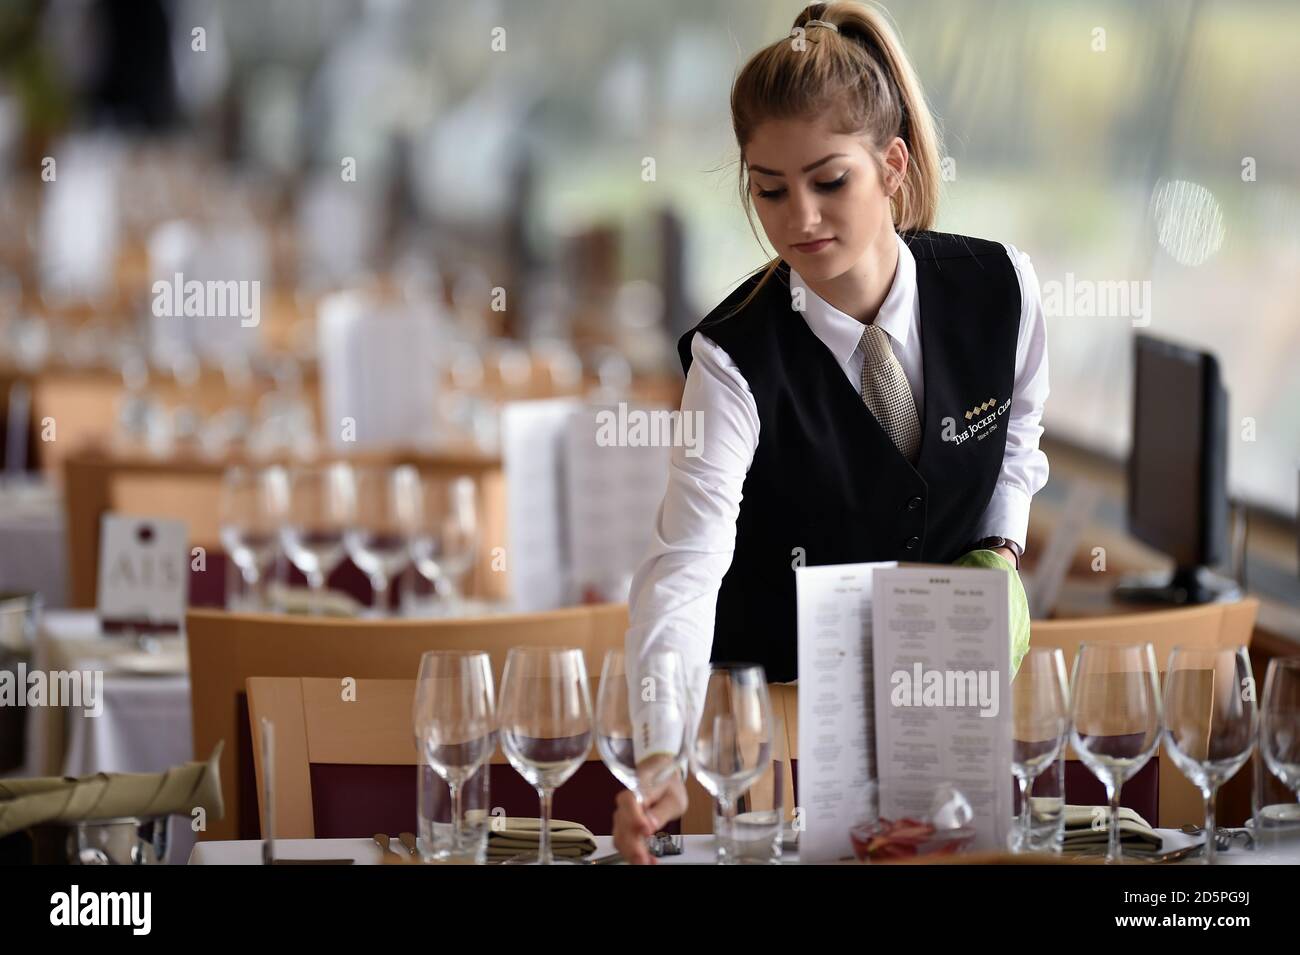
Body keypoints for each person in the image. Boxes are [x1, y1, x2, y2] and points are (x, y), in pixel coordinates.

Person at [613, 1, 1049, 863]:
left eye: (828, 180)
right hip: (778, 739)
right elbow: (684, 566)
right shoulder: (733, 358)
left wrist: (999, 548)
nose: (799, 217)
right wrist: (663, 749)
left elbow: (1018, 437)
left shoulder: (1001, 289)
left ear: (891, 165)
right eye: (768, 189)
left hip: (943, 721)